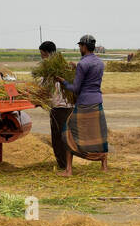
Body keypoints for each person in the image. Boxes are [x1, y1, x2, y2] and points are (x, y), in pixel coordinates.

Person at [58, 34, 108, 173]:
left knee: (68, 132)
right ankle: (104, 166)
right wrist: (76, 68)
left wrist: (63, 82)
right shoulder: (99, 62)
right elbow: (90, 77)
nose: (80, 48)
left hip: (84, 103)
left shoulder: (83, 63)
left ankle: (68, 170)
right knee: (98, 133)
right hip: (97, 101)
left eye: (80, 46)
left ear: (84, 47)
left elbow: (75, 88)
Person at [36, 41, 76, 174]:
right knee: (66, 136)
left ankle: (64, 165)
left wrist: (37, 98)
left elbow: (43, 86)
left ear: (47, 53)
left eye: (42, 54)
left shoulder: (49, 68)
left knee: (59, 138)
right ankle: (66, 164)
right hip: (69, 105)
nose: (42, 57)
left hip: (59, 107)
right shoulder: (64, 65)